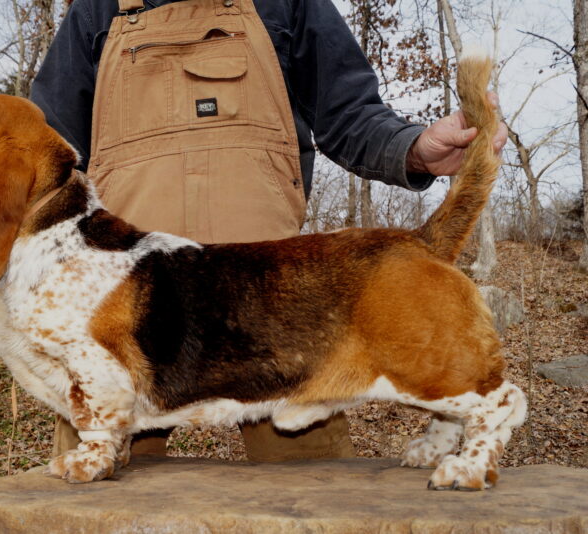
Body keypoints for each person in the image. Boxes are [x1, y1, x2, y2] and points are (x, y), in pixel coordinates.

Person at [30, 0, 507, 463]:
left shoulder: (288, 4)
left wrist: (415, 147)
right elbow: (44, 151)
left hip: (277, 309)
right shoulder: (96, 9)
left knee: (309, 497)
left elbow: (348, 113)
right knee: (85, 493)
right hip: (123, 316)